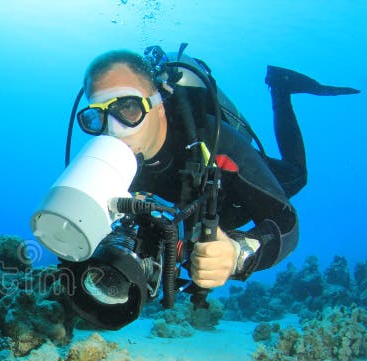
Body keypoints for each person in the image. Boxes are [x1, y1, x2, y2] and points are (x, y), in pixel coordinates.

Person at [75, 49, 359, 289]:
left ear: (159, 107)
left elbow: (285, 221)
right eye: (96, 116)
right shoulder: (103, 163)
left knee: (296, 176)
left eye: (128, 108)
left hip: (228, 192)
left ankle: (280, 89)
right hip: (191, 204)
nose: (113, 131)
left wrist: (238, 252)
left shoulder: (214, 139)